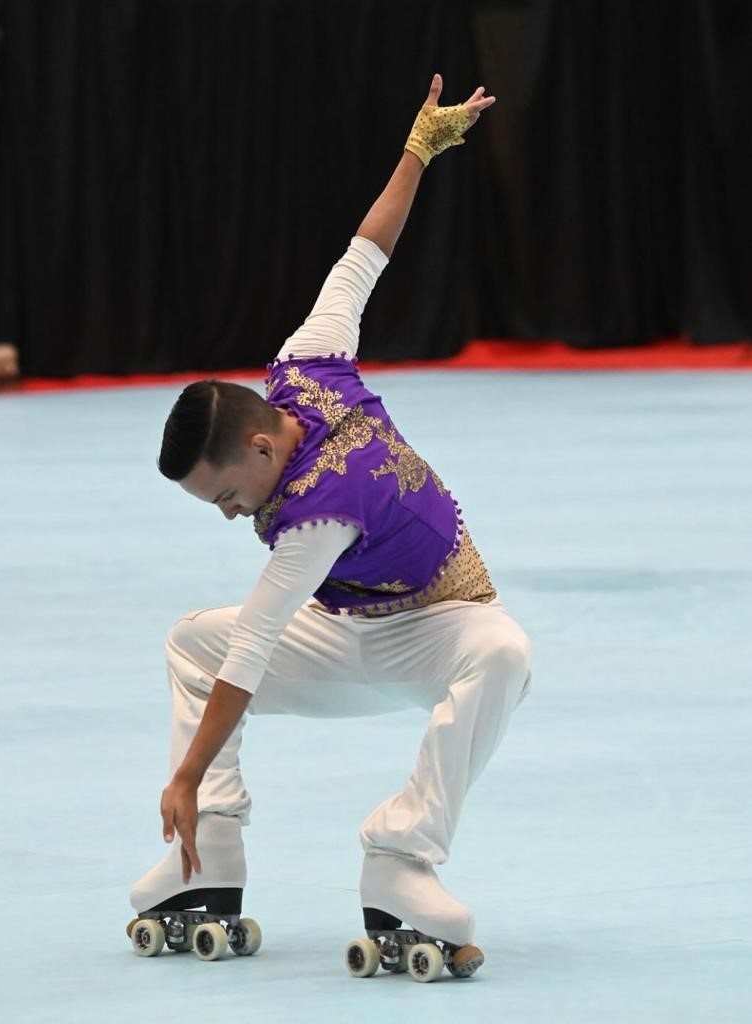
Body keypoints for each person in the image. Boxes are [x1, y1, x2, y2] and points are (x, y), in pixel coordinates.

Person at [128, 73, 532, 974]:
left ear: (263, 452)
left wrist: (182, 774)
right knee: (191, 642)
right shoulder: (307, 361)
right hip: (336, 630)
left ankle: (401, 856)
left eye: (227, 496)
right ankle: (211, 855)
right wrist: (419, 151)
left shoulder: (314, 514)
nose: (235, 517)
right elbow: (365, 252)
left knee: (502, 651)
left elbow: (255, 648)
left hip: (430, 630)